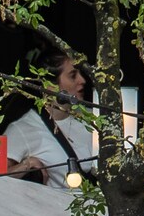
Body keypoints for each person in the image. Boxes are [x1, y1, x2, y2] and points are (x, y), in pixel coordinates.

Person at [6, 53, 97, 185]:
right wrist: (26, 165)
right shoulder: (24, 128)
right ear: (50, 86)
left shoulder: (94, 117)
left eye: (80, 74)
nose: (82, 80)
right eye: (73, 75)